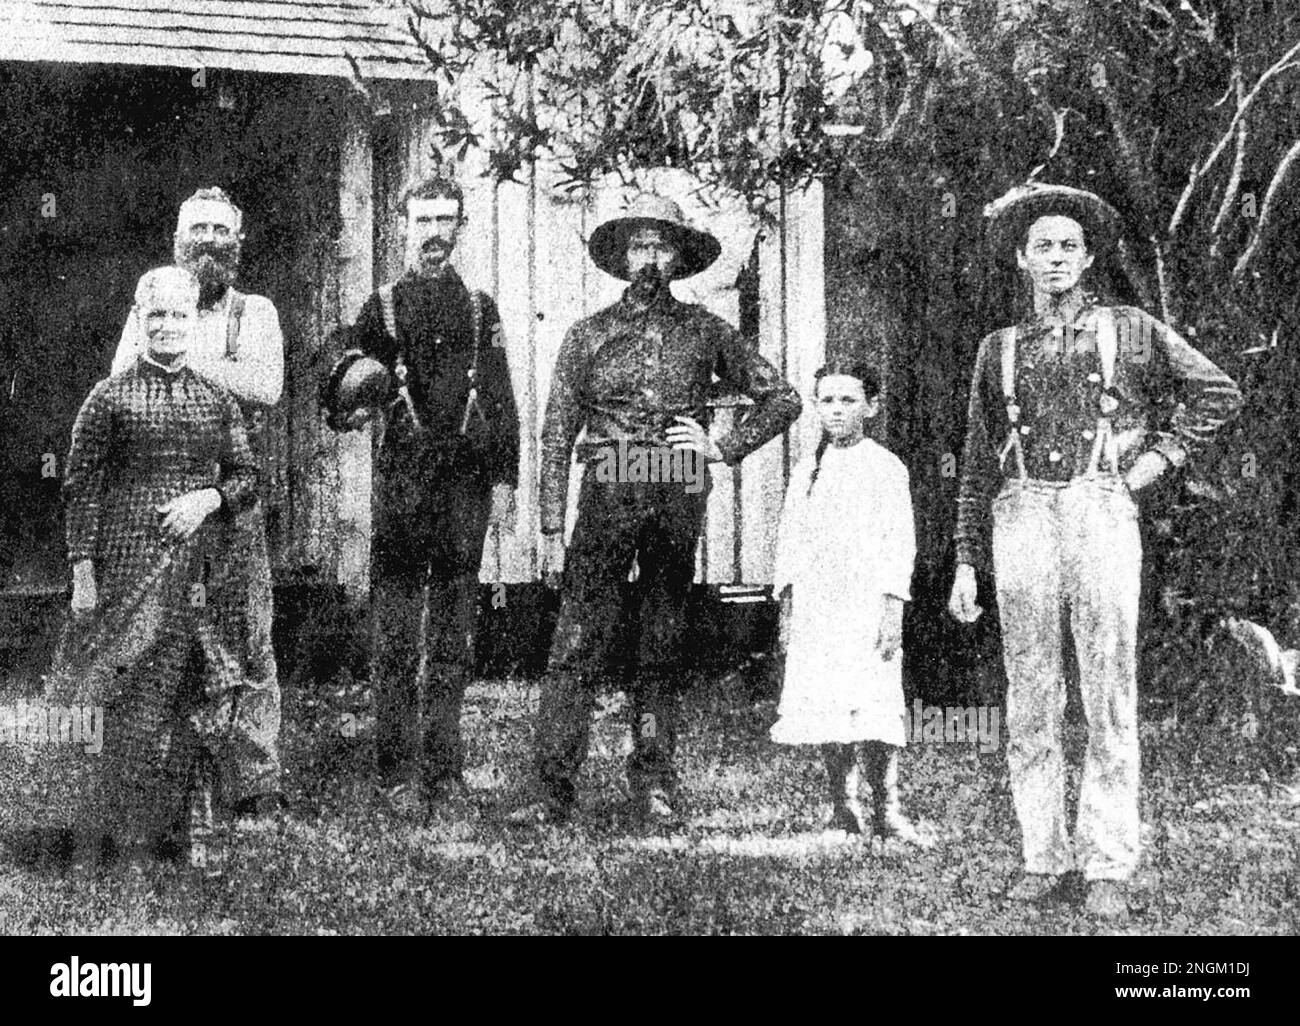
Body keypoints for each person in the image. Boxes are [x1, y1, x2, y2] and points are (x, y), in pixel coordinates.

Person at [947, 184, 1243, 917]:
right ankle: (1042, 854)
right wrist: (963, 559)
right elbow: (978, 459)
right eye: (1041, 246)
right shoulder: (999, 348)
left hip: (1101, 510)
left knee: (1108, 685)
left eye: (1068, 247)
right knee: (1031, 689)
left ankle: (1108, 858)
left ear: (1087, 259)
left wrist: (1159, 461)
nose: (1055, 258)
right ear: (1021, 259)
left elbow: (1218, 392)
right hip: (1022, 513)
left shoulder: (1131, 329)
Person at [511, 192, 802, 828]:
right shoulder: (588, 335)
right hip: (610, 483)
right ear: (621, 258)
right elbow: (557, 431)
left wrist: (721, 446)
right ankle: (552, 788)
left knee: (661, 638)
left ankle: (655, 783)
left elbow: (782, 398)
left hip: (677, 486)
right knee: (578, 639)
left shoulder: (708, 332)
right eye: (639, 246)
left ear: (678, 258)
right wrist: (552, 523)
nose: (649, 258)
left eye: (661, 246)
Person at [49, 265, 259, 862]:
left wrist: (207, 499)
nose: (168, 325)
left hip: (199, 573)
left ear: (195, 321)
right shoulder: (108, 396)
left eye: (179, 314)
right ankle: (110, 832)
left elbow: (248, 477)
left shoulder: (216, 397)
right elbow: (81, 489)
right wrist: (83, 573)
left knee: (197, 699)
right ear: (140, 321)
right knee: (118, 698)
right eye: (157, 314)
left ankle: (186, 826)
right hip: (125, 569)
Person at [327, 175, 520, 812]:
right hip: (403, 484)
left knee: (453, 634)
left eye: (446, 220)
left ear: (459, 228)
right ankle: (393, 770)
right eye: (423, 221)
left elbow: (500, 396)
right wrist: (351, 402)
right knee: (396, 632)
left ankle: (443, 767)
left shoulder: (479, 308)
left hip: (465, 485)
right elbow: (338, 378)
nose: (434, 233)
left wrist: (509, 482)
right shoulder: (379, 305)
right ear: (405, 226)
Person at [111, 187, 286, 818]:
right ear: (176, 241)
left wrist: (182, 360)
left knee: (250, 638)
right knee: (169, 638)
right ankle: (178, 776)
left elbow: (266, 386)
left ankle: (256, 781)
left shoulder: (257, 312)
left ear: (237, 242)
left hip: (233, 504)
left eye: (220, 230)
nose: (208, 240)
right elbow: (118, 382)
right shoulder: (148, 306)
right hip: (166, 505)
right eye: (197, 229)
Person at [771, 360, 927, 845]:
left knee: (874, 699)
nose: (836, 410)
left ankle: (888, 807)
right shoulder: (808, 469)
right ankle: (843, 808)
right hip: (820, 605)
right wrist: (788, 605)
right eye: (827, 400)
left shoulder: (885, 467)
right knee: (827, 702)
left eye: (848, 400)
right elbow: (790, 541)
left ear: (871, 407)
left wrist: (892, 607)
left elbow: (899, 542)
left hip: (866, 603)